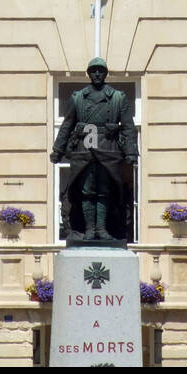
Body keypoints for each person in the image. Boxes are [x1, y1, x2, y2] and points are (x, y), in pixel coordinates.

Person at [50, 57, 138, 241]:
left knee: (106, 190)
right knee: (86, 190)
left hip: (109, 150)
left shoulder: (118, 97)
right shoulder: (77, 98)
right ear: (89, 74)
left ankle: (102, 229)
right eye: (93, 71)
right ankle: (89, 229)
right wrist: (58, 149)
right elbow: (67, 125)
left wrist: (130, 151)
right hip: (84, 151)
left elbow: (128, 126)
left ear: (105, 73)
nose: (97, 74)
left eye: (100, 71)